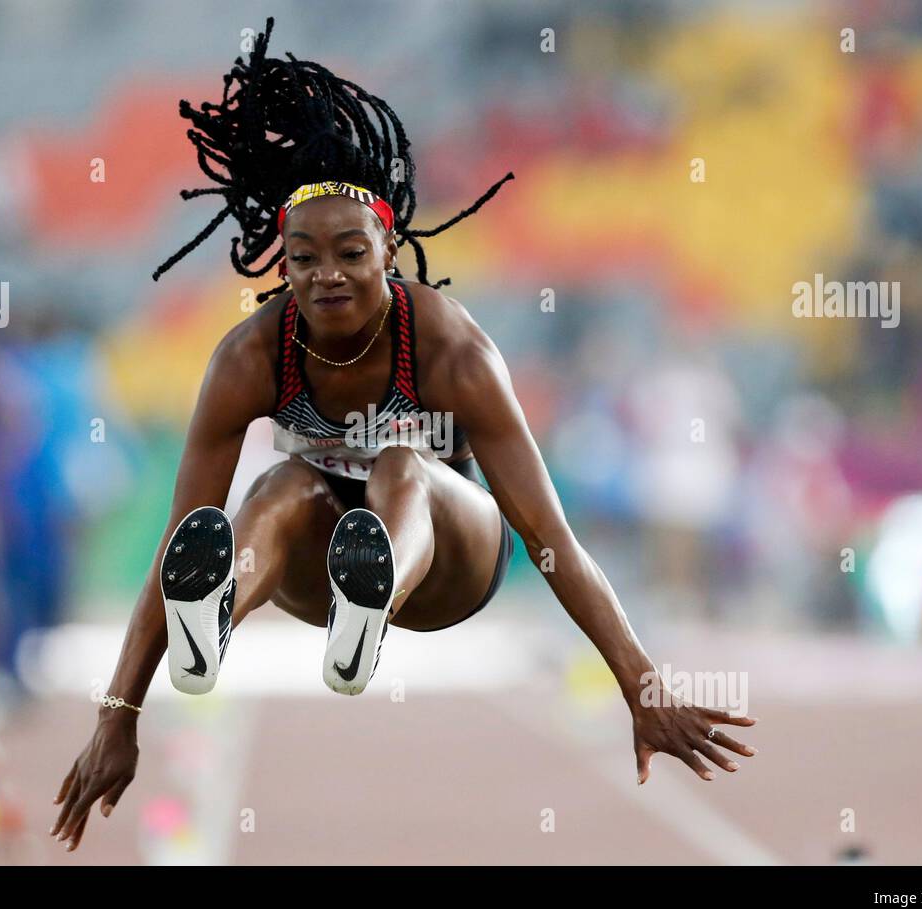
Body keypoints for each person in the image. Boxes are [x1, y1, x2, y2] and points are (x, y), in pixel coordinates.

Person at [52, 17, 756, 852]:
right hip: (314, 573)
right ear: (281, 262)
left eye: (351, 252)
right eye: (304, 257)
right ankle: (214, 622)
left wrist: (638, 682)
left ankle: (374, 591)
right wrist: (119, 715)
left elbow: (550, 535)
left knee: (401, 464)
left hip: (449, 559)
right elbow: (177, 538)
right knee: (278, 488)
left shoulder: (451, 349)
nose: (328, 275)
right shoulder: (249, 358)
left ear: (390, 249)